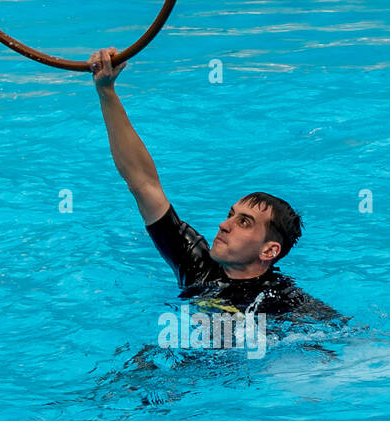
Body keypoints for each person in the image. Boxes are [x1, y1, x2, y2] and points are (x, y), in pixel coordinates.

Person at [88, 47, 341, 321]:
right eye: (231, 215)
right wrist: (106, 92)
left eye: (244, 222)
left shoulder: (286, 303)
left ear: (269, 251)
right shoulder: (195, 262)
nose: (224, 225)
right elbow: (142, 182)